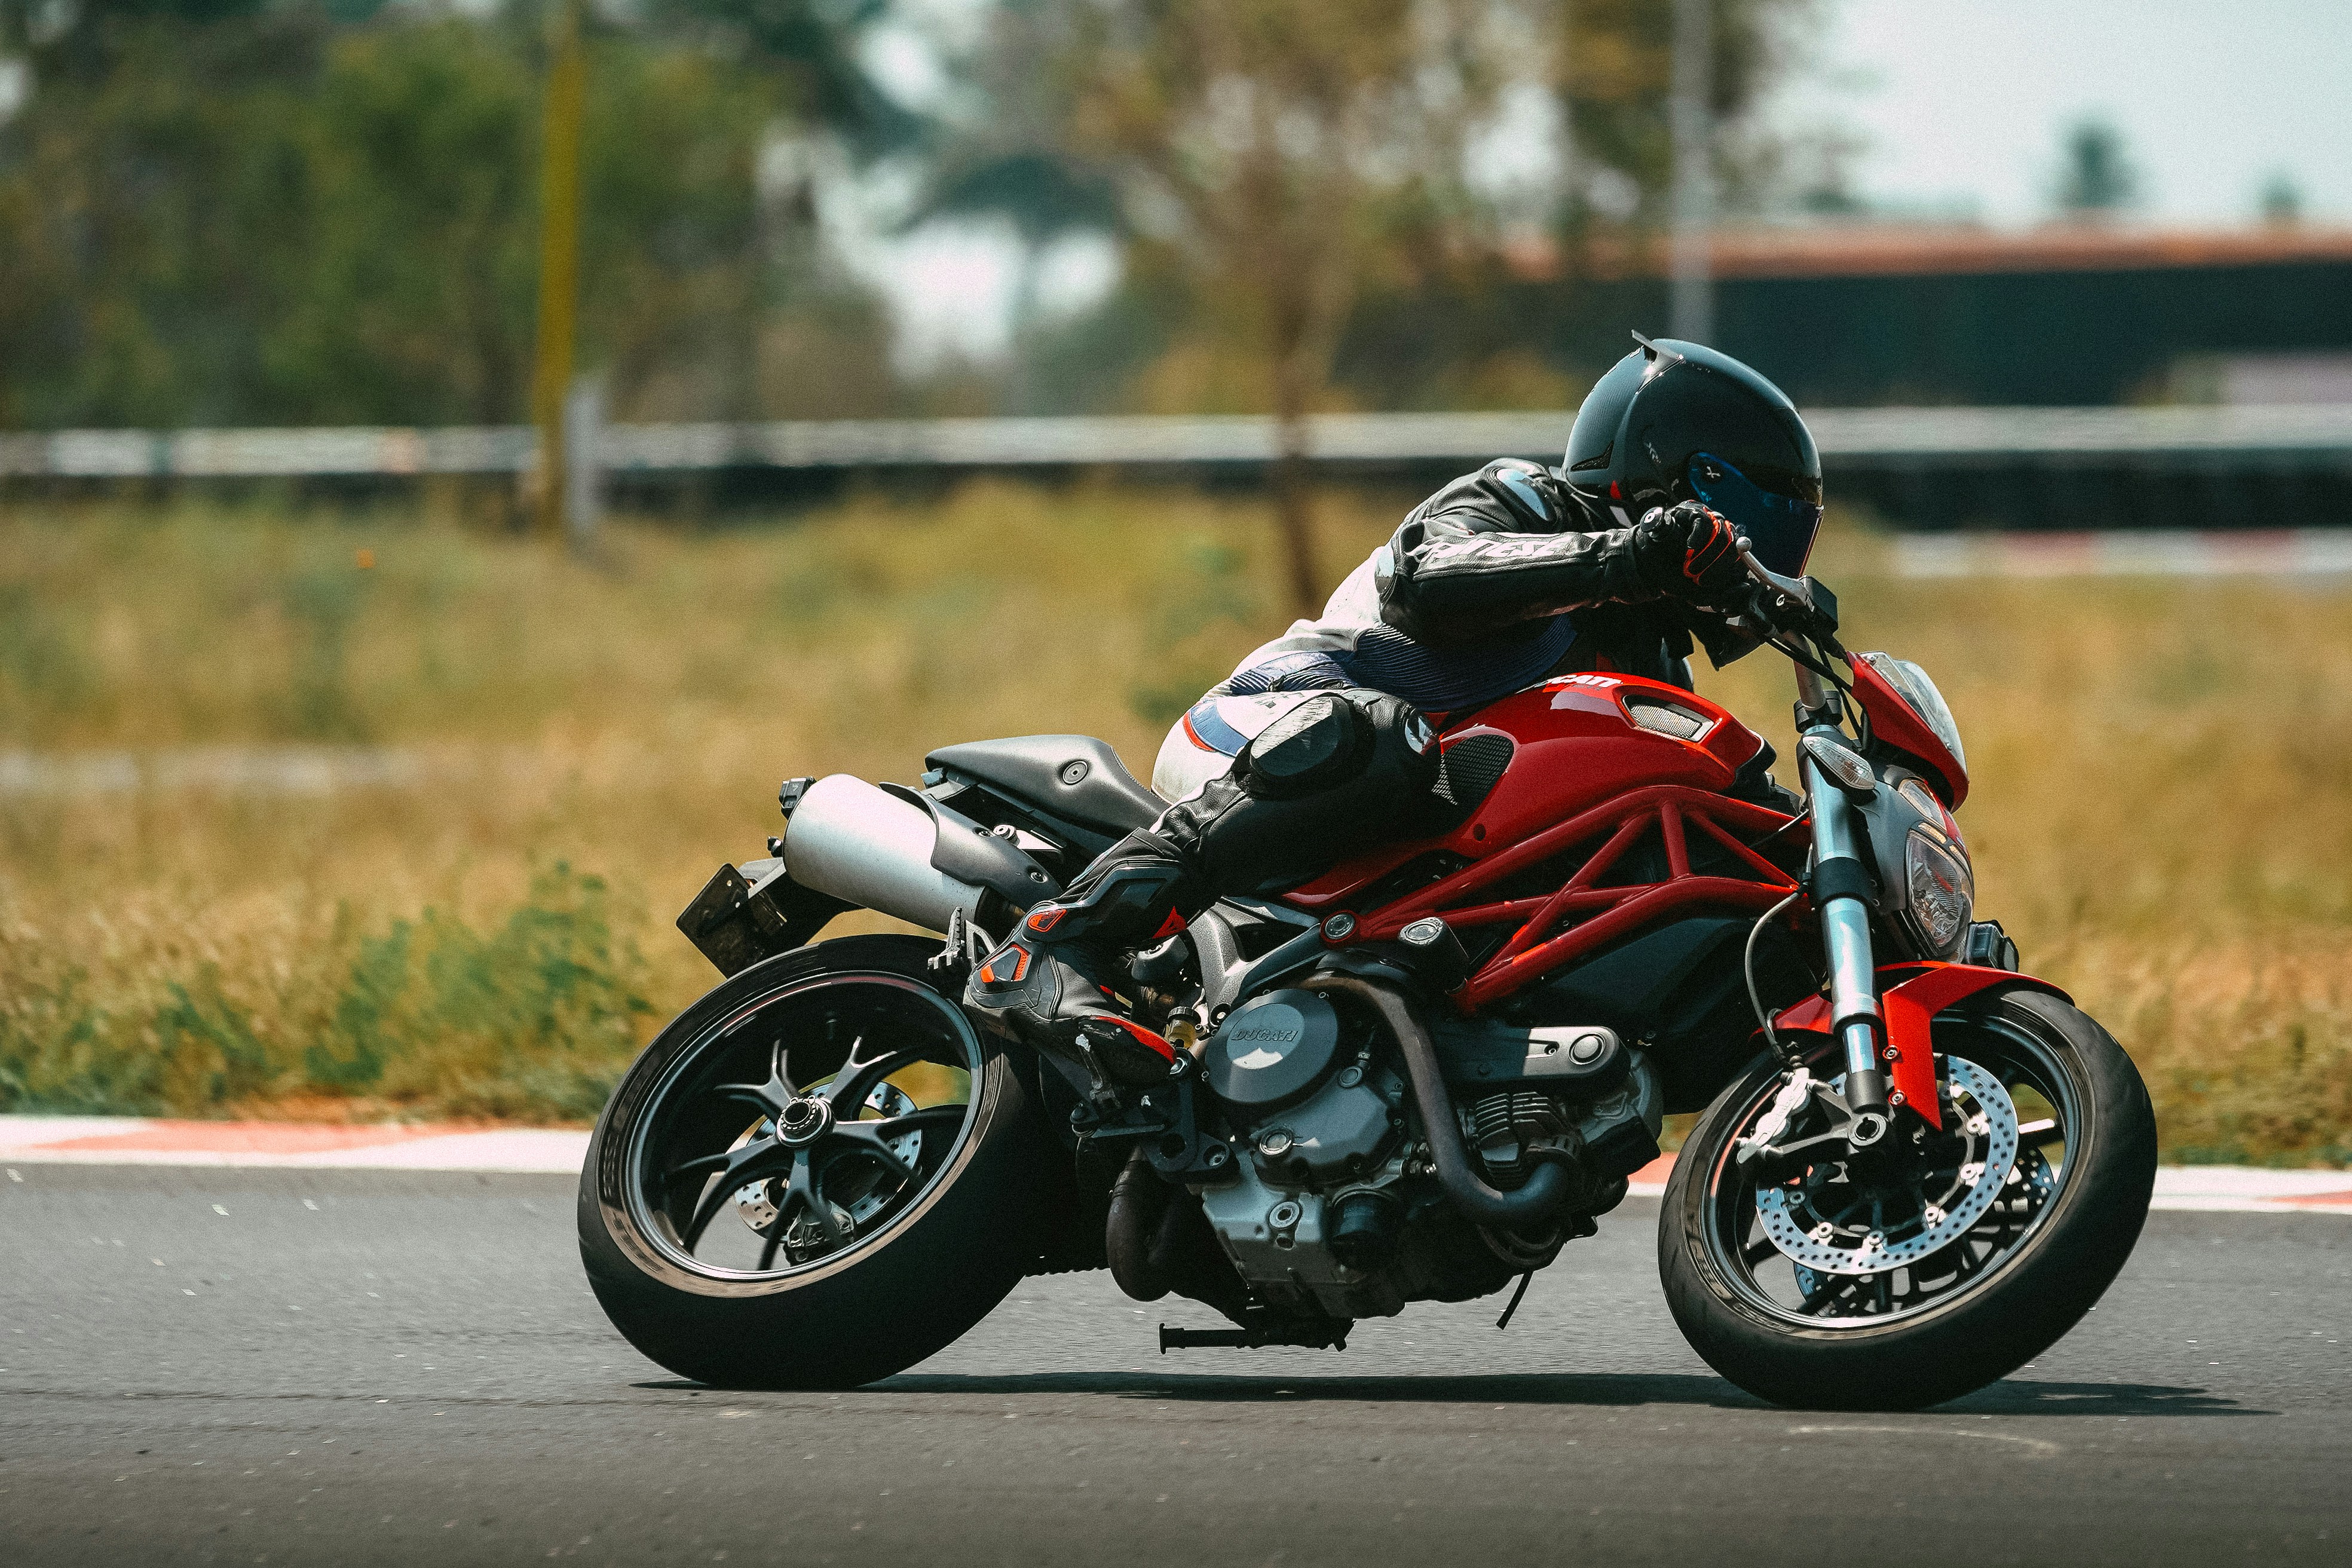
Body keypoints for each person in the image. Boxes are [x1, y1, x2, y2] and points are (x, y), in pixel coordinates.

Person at [966, 335, 1826, 1086]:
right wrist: (1628, 556)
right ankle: (1055, 944)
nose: (1757, 545)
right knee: (1385, 739)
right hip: (1272, 731)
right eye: (1748, 510)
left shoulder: (1648, 656)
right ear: (1672, 472)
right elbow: (1429, 580)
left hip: (1407, 833)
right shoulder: (1523, 501)